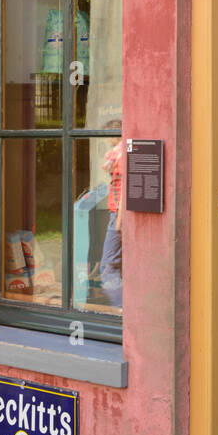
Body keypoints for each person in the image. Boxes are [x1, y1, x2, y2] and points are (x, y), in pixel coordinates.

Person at [100, 132, 123, 309]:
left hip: (118, 215)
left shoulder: (121, 154)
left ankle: (121, 307)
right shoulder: (119, 154)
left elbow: (124, 188)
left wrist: (119, 222)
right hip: (116, 214)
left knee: (108, 267)